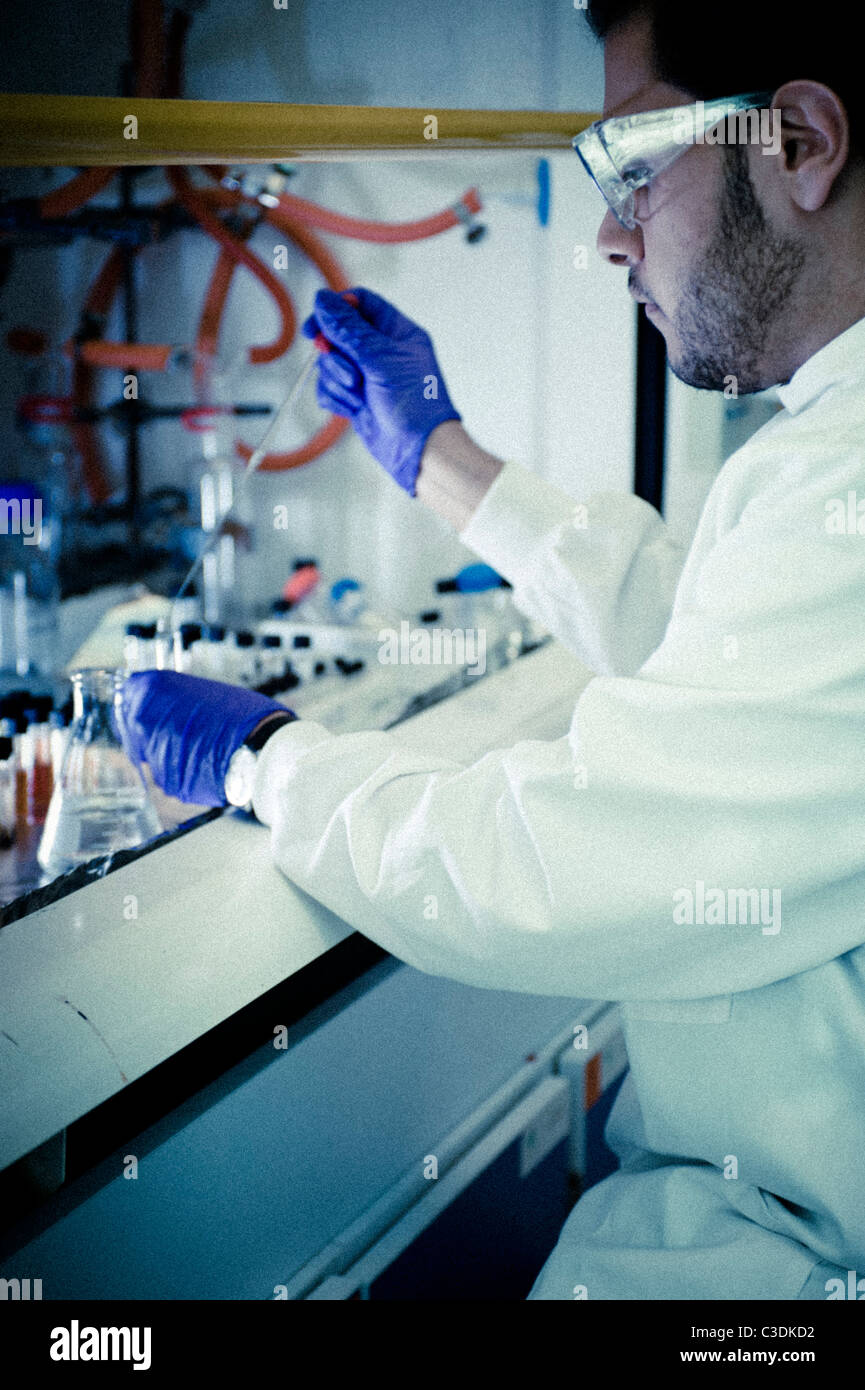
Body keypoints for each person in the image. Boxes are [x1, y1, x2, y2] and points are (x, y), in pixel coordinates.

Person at [120, 0, 865, 1300]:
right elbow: (724, 653)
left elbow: (558, 865)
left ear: (797, 141)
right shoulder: (822, 449)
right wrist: (442, 463)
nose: (606, 235)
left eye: (631, 168)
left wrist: (269, 762)